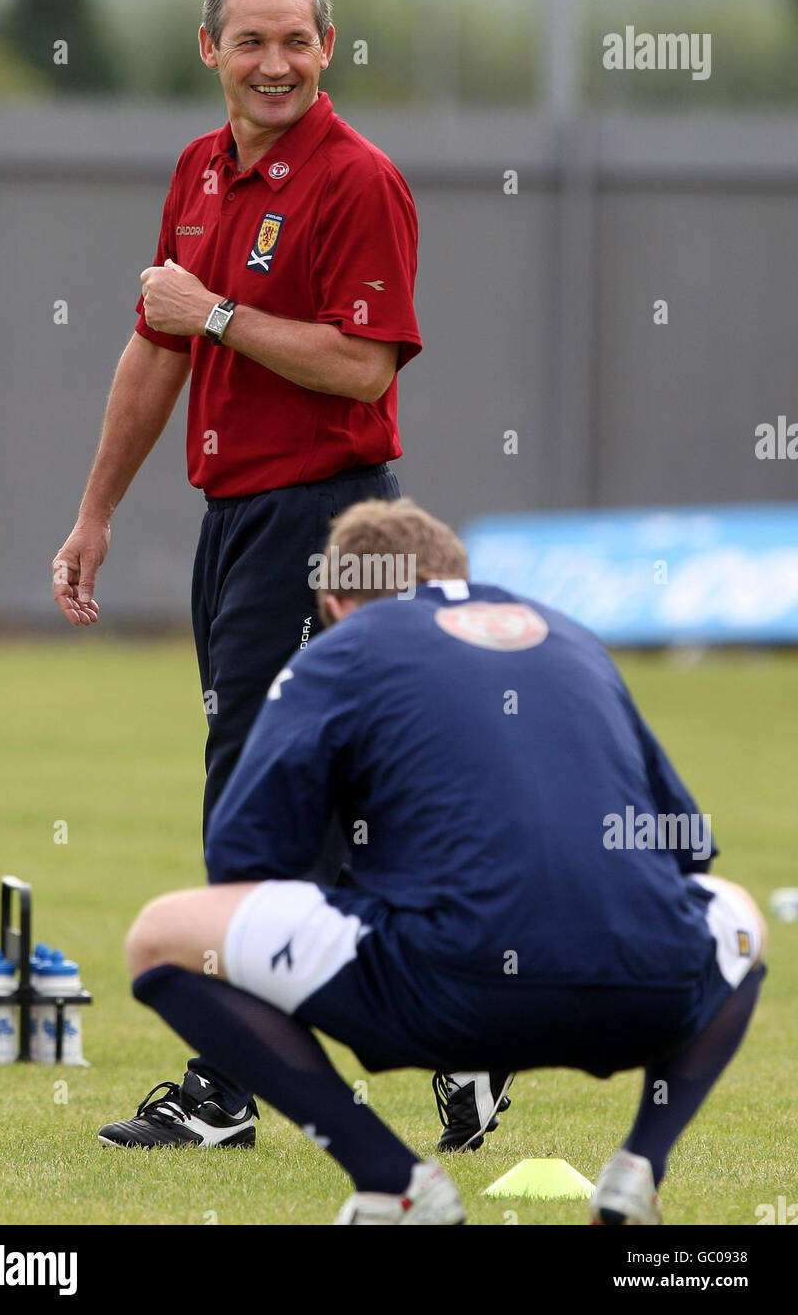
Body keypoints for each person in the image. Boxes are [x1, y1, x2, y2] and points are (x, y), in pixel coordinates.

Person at [51, 0, 496, 1152]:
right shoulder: (199, 170)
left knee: (252, 788)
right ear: (211, 51)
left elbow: (360, 364)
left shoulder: (360, 181)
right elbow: (157, 351)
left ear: (325, 47)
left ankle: (225, 1084)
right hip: (235, 519)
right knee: (333, 803)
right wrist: (95, 512)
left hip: (330, 519)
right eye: (251, 39)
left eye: (295, 38)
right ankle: (457, 1029)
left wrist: (220, 317)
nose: (275, 61)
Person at [124, 498, 766, 1224]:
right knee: (742, 914)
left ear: (336, 601)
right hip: (644, 988)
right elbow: (688, 848)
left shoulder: (344, 646)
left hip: (448, 987)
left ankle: (392, 1179)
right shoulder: (572, 637)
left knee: (161, 936)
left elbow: (246, 862)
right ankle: (640, 1167)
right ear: (458, 574)